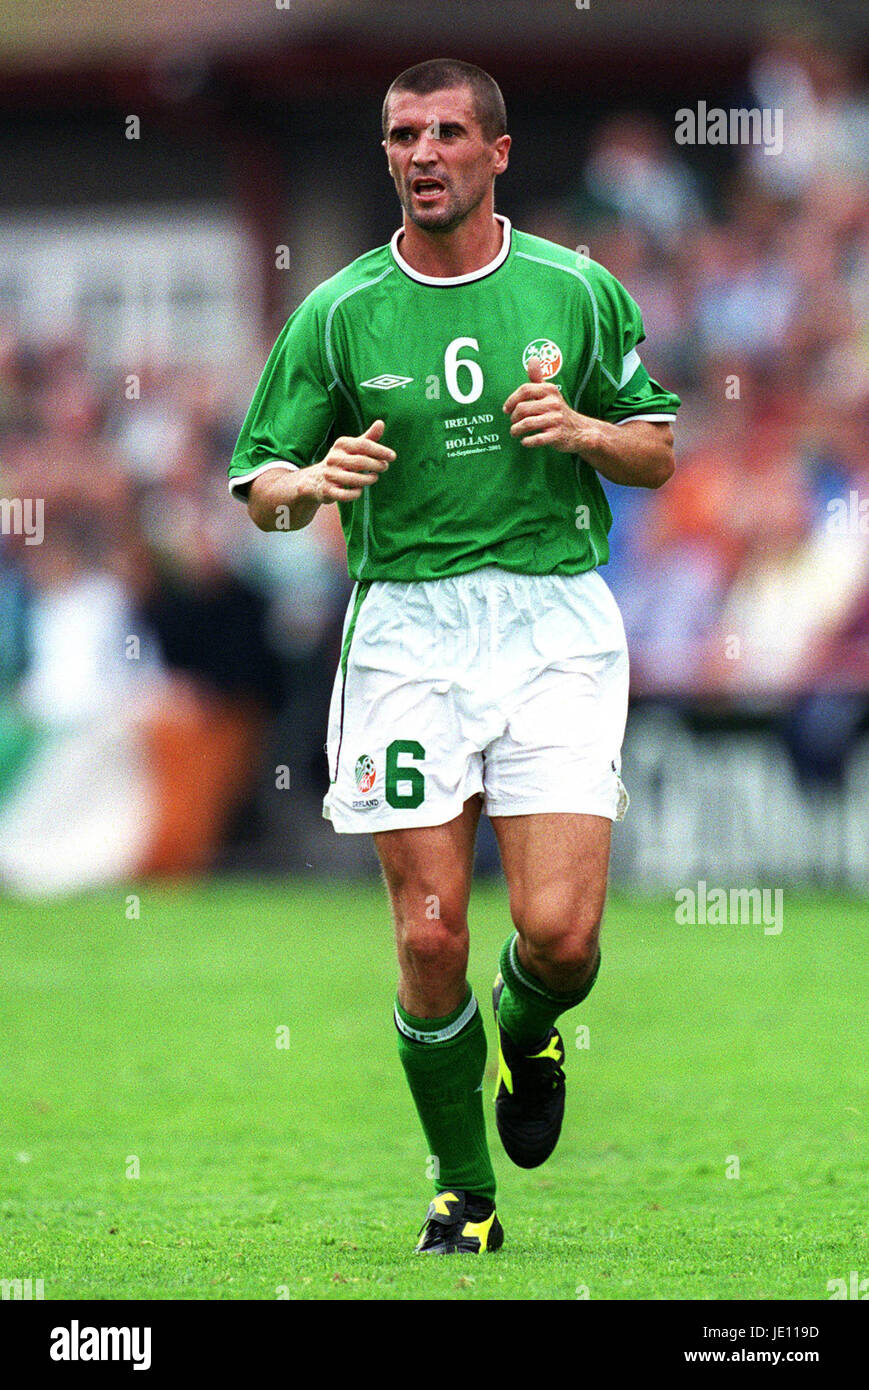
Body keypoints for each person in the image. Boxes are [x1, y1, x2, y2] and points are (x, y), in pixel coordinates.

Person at [229, 58, 680, 1255]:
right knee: (430, 931)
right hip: (408, 630)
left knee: (561, 937)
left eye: (442, 132)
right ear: (384, 156)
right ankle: (463, 1190)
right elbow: (259, 487)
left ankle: (526, 1024)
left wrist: (584, 430)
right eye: (398, 136)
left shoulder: (575, 290)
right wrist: (308, 487)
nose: (419, 153)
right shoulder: (337, 311)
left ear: (495, 151)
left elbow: (654, 451)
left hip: (550, 620)